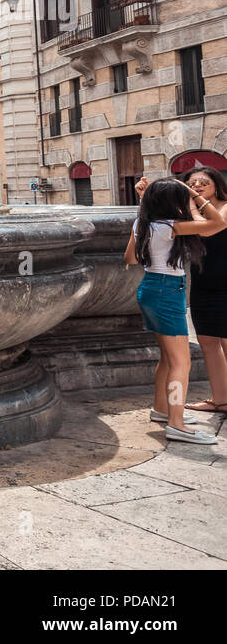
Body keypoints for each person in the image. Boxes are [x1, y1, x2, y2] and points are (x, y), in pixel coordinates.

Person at [125, 176, 225, 444]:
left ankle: (161, 409)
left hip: (150, 288)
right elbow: (218, 223)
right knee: (182, 362)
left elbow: (130, 258)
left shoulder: (143, 223)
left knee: (168, 358)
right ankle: (177, 424)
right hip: (168, 291)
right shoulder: (171, 226)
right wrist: (196, 195)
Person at [180, 167, 227, 414]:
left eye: (202, 182)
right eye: (191, 182)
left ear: (217, 185)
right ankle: (221, 400)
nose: (197, 185)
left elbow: (206, 229)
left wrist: (191, 200)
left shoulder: (224, 207)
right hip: (202, 285)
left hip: (225, 286)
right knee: (207, 342)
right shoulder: (192, 211)